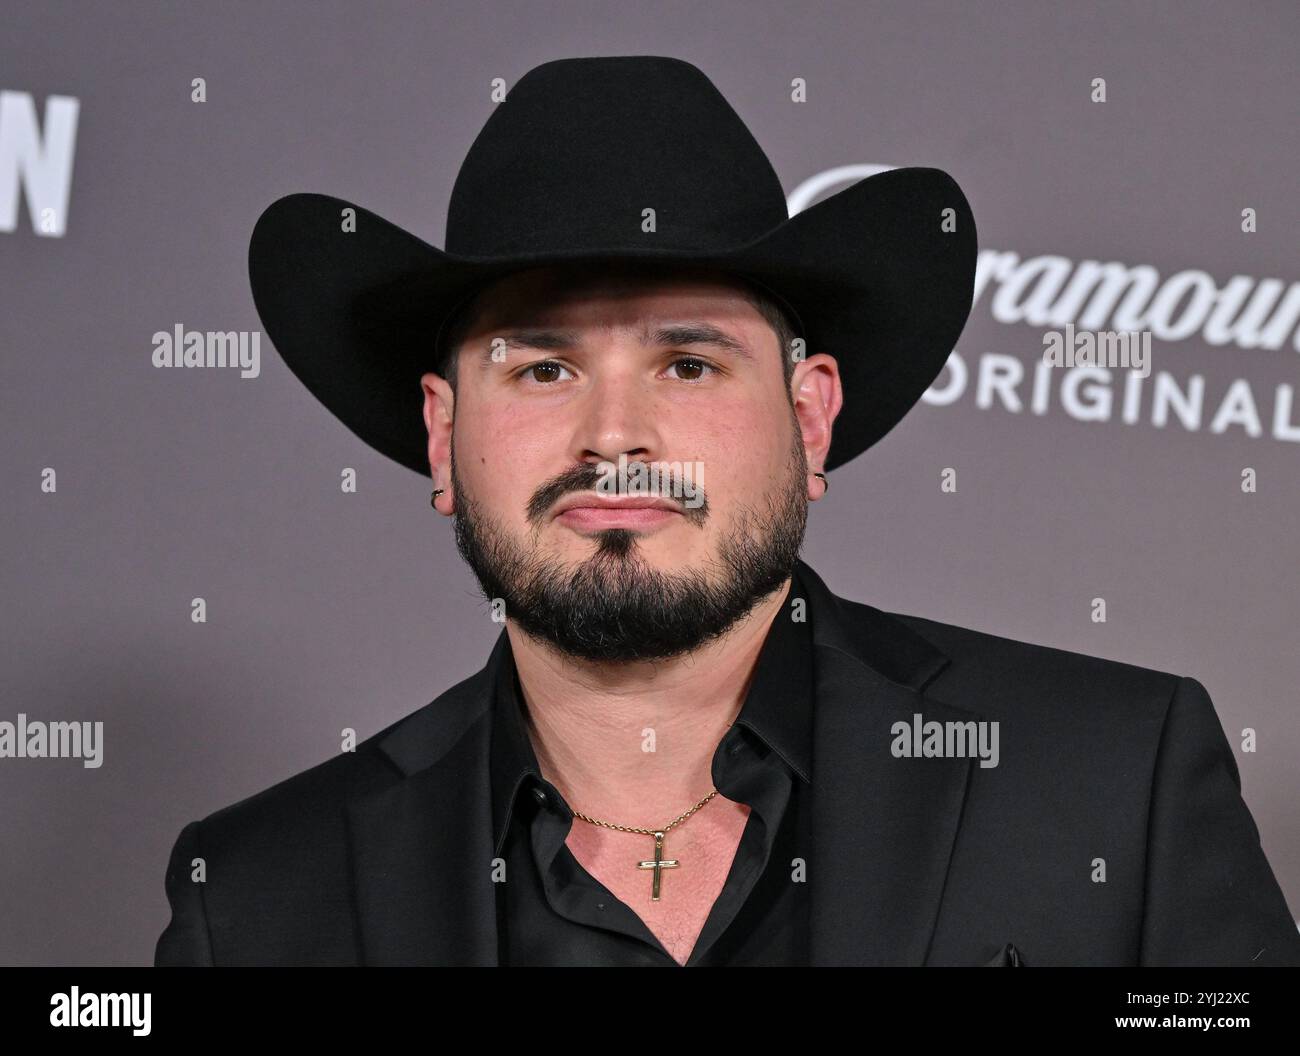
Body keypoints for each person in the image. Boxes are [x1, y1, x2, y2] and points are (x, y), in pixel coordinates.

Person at [154, 55, 1300, 966]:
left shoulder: (1110, 784)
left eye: (688, 365)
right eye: (541, 369)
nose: (614, 434)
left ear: (809, 420)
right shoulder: (256, 898)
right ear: (442, 436)